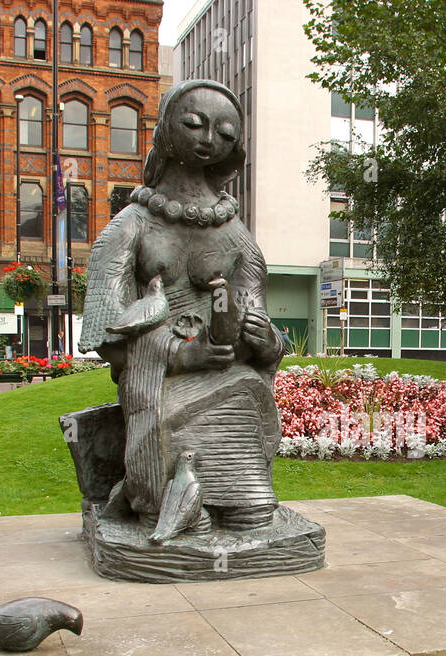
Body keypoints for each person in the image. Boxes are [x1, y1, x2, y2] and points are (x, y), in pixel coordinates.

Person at [81, 79, 285, 538]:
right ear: (168, 129)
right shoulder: (131, 225)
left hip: (229, 382)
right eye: (194, 124)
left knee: (253, 519)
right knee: (181, 525)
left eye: (226, 133)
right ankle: (155, 498)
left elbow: (257, 317)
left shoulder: (236, 236)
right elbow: (104, 332)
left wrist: (264, 338)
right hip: (158, 386)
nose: (209, 139)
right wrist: (178, 354)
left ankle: (235, 498)